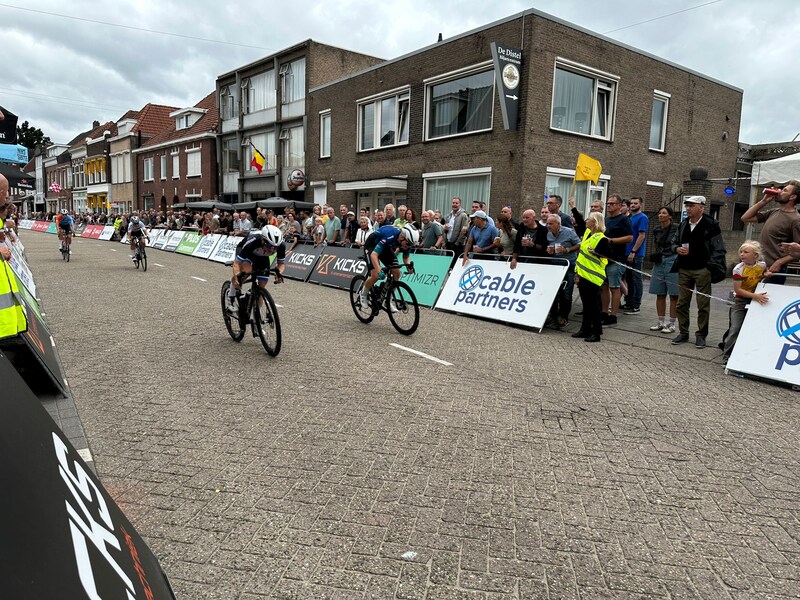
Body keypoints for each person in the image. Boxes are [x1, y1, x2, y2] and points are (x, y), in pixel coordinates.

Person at [670, 196, 727, 349]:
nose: (688, 208)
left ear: (701, 207)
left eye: (692, 206)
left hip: (702, 270)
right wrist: (676, 249)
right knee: (682, 303)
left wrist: (709, 266)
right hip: (684, 269)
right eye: (687, 206)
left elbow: (720, 248)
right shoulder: (683, 224)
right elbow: (673, 242)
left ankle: (701, 335)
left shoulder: (711, 225)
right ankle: (683, 332)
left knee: (703, 305)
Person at [740, 180, 800, 284]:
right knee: (748, 299)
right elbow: (745, 218)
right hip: (758, 267)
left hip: (773, 271)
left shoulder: (796, 220)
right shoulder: (774, 211)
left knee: (765, 299)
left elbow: (798, 251)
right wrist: (763, 202)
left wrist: (779, 262)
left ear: (792, 197)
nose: (780, 191)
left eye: (784, 190)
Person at [721, 241, 769, 364]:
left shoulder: (762, 265)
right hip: (741, 300)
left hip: (757, 299)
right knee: (736, 327)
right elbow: (738, 290)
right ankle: (727, 356)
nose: (742, 254)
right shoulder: (738, 269)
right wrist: (755, 296)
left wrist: (767, 274)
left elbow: (765, 273)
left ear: (755, 255)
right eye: (741, 252)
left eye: (746, 252)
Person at [225, 225, 286, 312]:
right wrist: (237, 275)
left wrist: (279, 273)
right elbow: (237, 263)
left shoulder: (281, 245)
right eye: (269, 246)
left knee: (262, 284)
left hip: (262, 256)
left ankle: (258, 313)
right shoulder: (253, 241)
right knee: (245, 272)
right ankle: (231, 297)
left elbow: (281, 264)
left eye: (275, 248)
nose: (272, 250)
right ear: (262, 240)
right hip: (248, 253)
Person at [572, 212, 613, 342]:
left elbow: (610, 255)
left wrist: (596, 253)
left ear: (595, 222)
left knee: (594, 306)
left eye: (588, 219)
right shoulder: (587, 235)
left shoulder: (601, 238)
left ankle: (596, 333)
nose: (586, 221)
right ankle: (585, 329)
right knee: (586, 305)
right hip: (583, 275)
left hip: (593, 276)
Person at [359, 224, 418, 307]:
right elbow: (374, 255)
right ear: (402, 236)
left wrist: (409, 266)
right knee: (376, 275)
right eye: (407, 244)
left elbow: (406, 257)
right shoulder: (390, 235)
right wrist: (379, 271)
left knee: (397, 273)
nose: (408, 247)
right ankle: (363, 294)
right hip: (371, 246)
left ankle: (388, 300)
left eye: (410, 245)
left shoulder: (407, 241)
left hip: (385, 247)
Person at [599, 195, 632, 325]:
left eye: (612, 204)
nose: (609, 206)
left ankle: (613, 316)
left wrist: (611, 240)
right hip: (603, 258)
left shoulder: (624, 220)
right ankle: (604, 313)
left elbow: (630, 237)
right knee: (603, 286)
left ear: (619, 205)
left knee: (614, 287)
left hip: (616, 258)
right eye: (608, 203)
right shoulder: (606, 220)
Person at [544, 214, 581, 328]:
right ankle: (553, 316)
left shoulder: (568, 232)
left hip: (568, 265)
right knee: (554, 292)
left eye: (551, 224)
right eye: (547, 224)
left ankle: (563, 317)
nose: (548, 226)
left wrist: (567, 249)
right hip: (555, 265)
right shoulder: (549, 234)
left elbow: (579, 244)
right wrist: (549, 250)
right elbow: (550, 247)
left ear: (558, 224)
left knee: (566, 292)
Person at [647, 206, 680, 334]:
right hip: (660, 261)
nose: (660, 215)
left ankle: (672, 323)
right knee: (659, 293)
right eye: (659, 213)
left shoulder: (677, 228)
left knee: (673, 295)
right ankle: (661, 321)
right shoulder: (656, 229)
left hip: (672, 259)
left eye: (664, 213)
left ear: (670, 216)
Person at [622, 196, 649, 314]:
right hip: (625, 252)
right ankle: (629, 303)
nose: (632, 205)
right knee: (628, 279)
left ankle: (636, 305)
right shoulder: (629, 218)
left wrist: (633, 251)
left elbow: (641, 235)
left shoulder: (642, 218)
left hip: (636, 254)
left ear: (640, 204)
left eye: (635, 203)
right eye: (631, 203)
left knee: (637, 279)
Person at [443, 197, 469, 262]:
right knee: (449, 263)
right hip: (449, 243)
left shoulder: (463, 215)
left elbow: (464, 231)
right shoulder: (449, 215)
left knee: (456, 263)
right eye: (453, 203)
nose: (454, 204)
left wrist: (457, 243)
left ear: (460, 204)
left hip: (457, 245)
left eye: (456, 203)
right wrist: (445, 231)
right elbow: (446, 228)